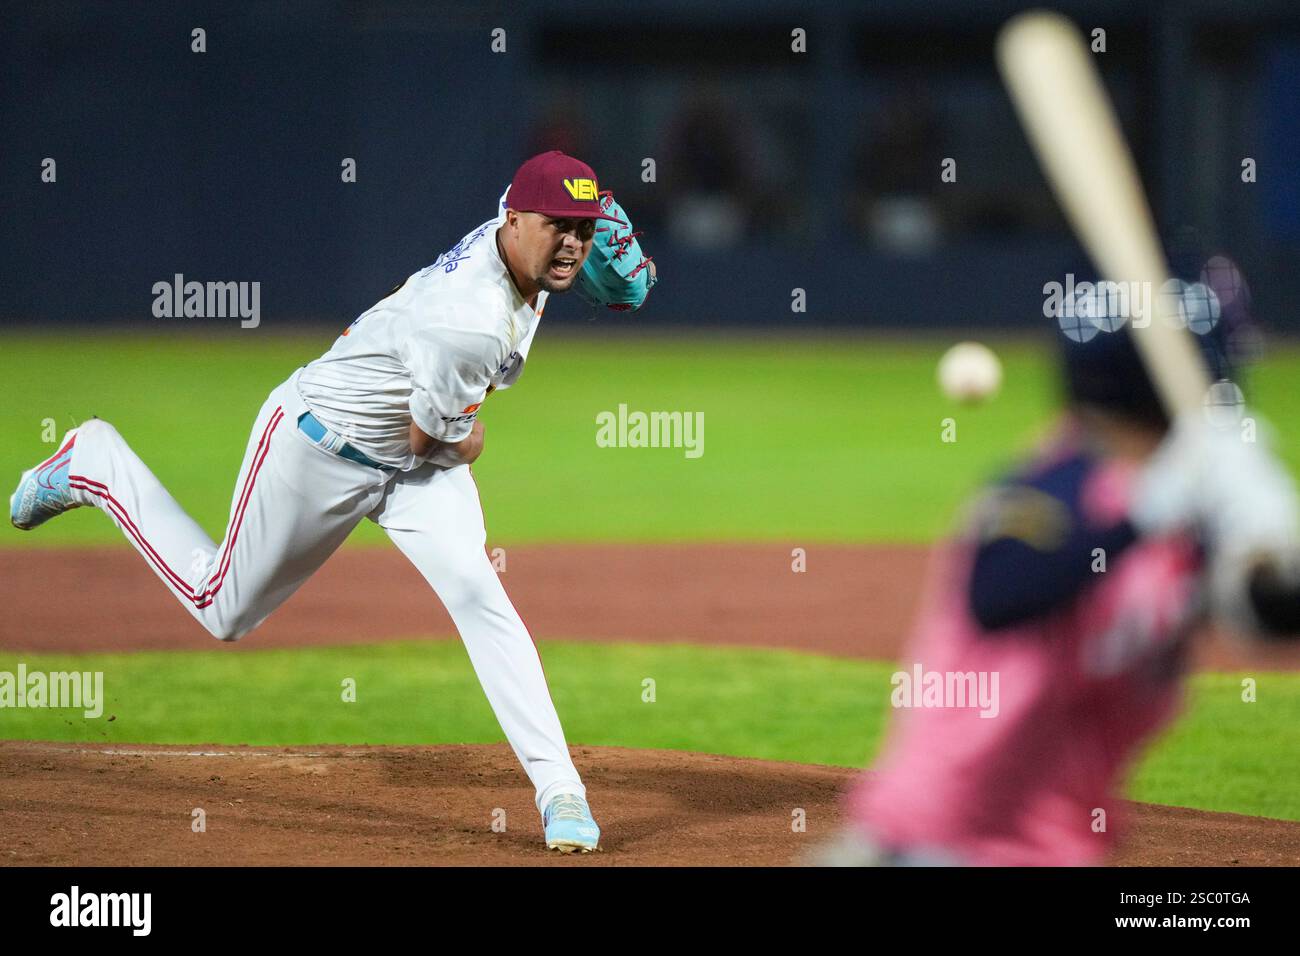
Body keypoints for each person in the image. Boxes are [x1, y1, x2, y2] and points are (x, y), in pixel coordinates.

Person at [9, 150, 656, 854]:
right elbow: (432, 441)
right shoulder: (466, 323)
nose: (575, 244)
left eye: (584, 229)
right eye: (558, 225)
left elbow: (535, 208)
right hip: (321, 448)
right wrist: (477, 443)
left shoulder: (520, 238)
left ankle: (561, 790)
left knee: (479, 592)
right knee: (223, 610)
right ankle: (94, 462)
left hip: (410, 463)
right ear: (514, 220)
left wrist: (577, 224)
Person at [818, 283, 1300, 866]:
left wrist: (1273, 542)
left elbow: (1264, 623)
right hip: (937, 849)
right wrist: (1155, 500)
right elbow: (1001, 590)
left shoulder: (1193, 516)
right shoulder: (1055, 486)